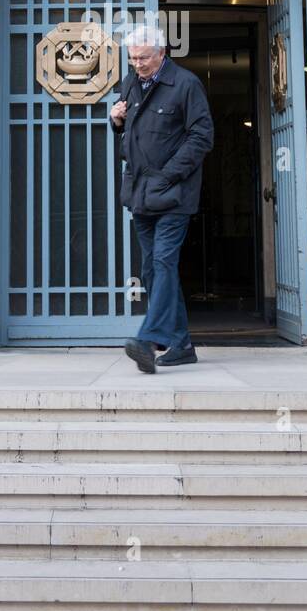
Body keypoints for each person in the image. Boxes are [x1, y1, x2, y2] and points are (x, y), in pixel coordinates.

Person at [109, 23, 214, 373]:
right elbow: (133, 132)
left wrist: (170, 175)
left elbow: (202, 137)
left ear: (162, 53)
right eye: (133, 58)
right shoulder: (131, 83)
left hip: (173, 195)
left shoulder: (186, 84)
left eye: (144, 58)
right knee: (152, 269)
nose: (138, 64)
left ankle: (148, 337)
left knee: (164, 263)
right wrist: (117, 122)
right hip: (140, 193)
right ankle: (181, 344)